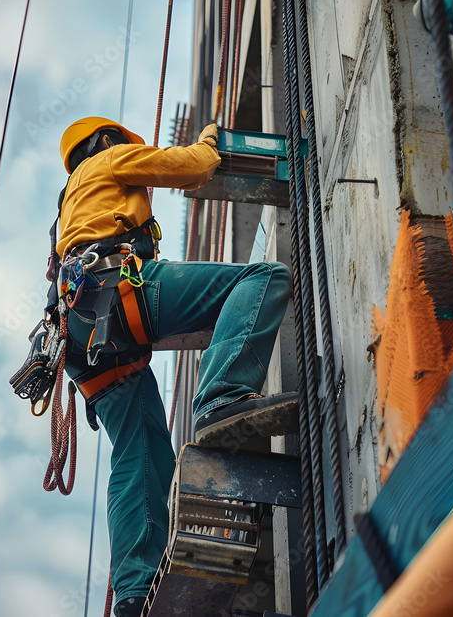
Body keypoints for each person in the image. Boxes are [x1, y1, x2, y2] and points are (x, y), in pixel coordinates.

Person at [53, 116, 294, 617]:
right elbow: (190, 169)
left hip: (79, 338)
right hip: (118, 292)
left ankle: (134, 592)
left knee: (139, 455)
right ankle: (221, 398)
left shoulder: (65, 212)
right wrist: (208, 145)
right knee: (261, 280)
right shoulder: (109, 160)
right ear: (102, 142)